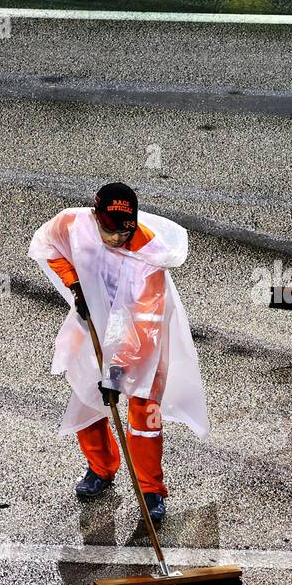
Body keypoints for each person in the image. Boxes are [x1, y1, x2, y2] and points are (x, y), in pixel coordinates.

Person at [28, 182, 209, 522]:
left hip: (144, 342)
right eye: (110, 231)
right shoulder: (72, 224)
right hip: (96, 326)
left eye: (125, 230)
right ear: (96, 217)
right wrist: (75, 286)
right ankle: (101, 468)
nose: (118, 239)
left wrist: (117, 371)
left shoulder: (149, 257)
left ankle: (151, 490)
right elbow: (48, 246)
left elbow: (145, 324)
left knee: (144, 418)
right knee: (87, 398)